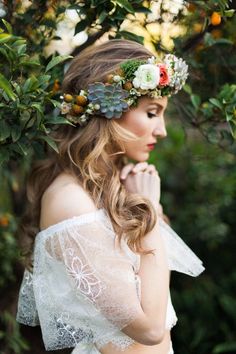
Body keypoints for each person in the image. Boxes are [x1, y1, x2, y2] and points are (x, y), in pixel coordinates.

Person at [16, 39, 205, 354]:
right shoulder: (71, 202)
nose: (162, 131)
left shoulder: (113, 188)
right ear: (109, 109)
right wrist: (152, 214)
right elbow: (150, 328)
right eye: (152, 112)